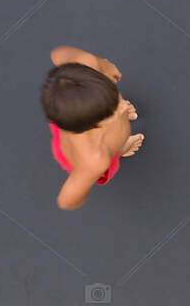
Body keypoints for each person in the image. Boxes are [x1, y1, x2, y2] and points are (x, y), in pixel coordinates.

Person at [42, 46, 143, 211]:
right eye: (112, 110)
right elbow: (67, 200)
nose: (121, 105)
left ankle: (118, 123)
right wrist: (83, 187)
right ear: (96, 125)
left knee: (120, 113)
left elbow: (58, 53)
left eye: (113, 97)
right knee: (114, 145)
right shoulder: (94, 159)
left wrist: (102, 65)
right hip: (94, 153)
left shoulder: (87, 66)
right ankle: (121, 149)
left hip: (74, 118)